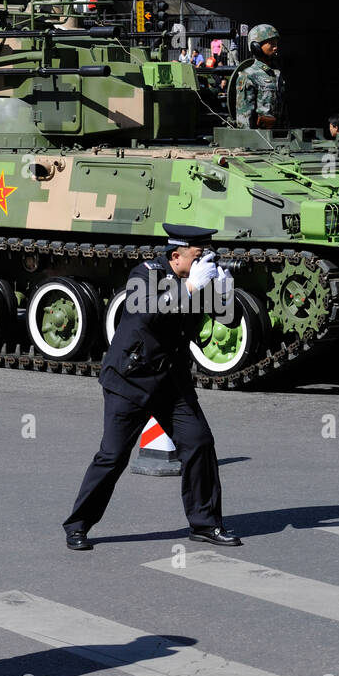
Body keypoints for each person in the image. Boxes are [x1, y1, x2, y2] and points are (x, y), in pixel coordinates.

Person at [64, 224, 238, 551]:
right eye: (199, 257)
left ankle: (205, 523)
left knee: (199, 442)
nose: (205, 264)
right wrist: (188, 290)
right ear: (176, 256)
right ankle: (78, 524)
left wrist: (225, 292)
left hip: (171, 381)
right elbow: (147, 313)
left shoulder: (199, 280)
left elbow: (227, 320)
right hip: (131, 379)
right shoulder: (145, 274)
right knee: (113, 456)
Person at [234, 23, 285, 129]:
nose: (276, 47)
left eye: (276, 43)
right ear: (256, 47)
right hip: (259, 137)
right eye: (271, 44)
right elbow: (244, 116)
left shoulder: (276, 73)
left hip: (278, 136)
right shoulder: (248, 75)